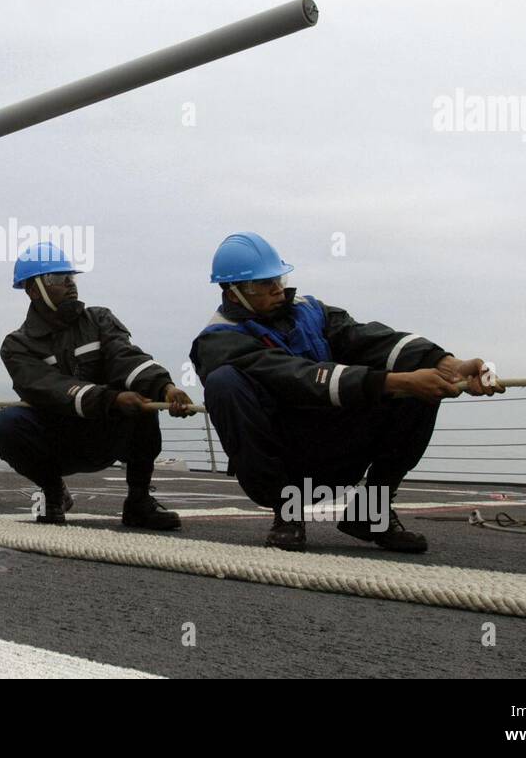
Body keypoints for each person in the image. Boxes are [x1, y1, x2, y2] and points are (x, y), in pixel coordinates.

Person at [189, 232, 504, 553]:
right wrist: (396, 383)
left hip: (336, 439)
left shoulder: (313, 311)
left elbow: (367, 339)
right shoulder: (217, 341)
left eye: (277, 278)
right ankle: (286, 512)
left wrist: (447, 363)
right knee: (223, 382)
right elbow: (295, 378)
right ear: (233, 294)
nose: (276, 289)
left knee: (418, 385)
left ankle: (371, 511)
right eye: (262, 284)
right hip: (287, 453)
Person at [0, 242, 195, 529]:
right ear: (32, 291)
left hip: (107, 432)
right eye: (56, 278)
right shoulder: (17, 346)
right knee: (5, 425)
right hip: (60, 440)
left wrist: (165, 387)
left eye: (70, 276)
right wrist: (110, 399)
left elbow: (126, 358)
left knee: (144, 397)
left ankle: (138, 501)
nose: (69, 284)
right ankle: (53, 492)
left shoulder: (99, 320)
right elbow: (49, 387)